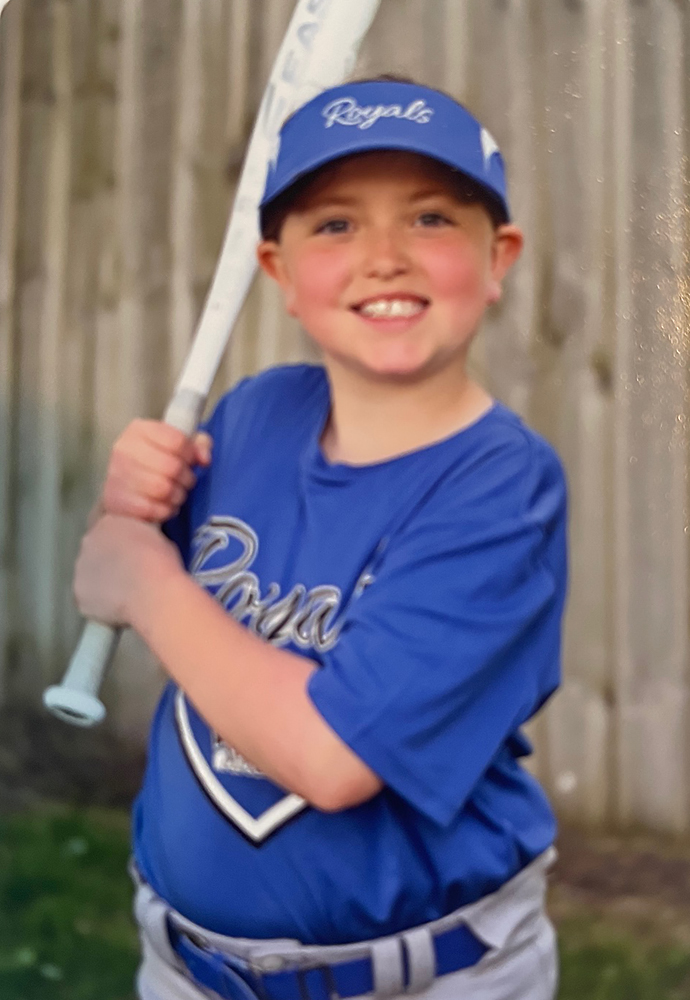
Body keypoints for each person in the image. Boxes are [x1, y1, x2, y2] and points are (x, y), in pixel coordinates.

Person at [73, 78, 568, 1000]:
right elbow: (114, 572)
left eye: (429, 218)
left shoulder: (502, 490)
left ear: (497, 258)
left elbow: (333, 759)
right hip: (186, 969)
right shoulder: (254, 417)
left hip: (425, 980)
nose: (384, 256)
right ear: (279, 274)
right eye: (335, 225)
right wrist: (121, 511)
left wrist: (145, 585)